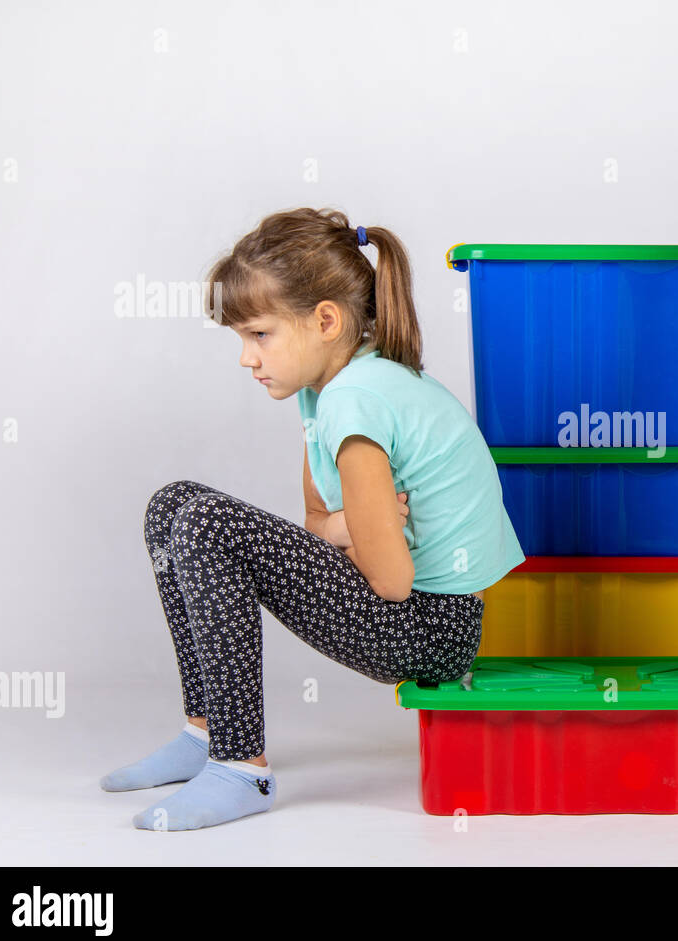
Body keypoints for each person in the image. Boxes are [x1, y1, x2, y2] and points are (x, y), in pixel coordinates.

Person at [101, 207, 525, 831]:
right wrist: (347, 527)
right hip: (403, 607)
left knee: (206, 525)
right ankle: (206, 729)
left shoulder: (358, 398)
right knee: (172, 505)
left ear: (326, 320)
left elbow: (393, 581)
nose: (247, 358)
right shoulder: (324, 389)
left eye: (260, 335)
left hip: (431, 630)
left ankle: (242, 767)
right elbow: (317, 520)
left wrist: (354, 530)